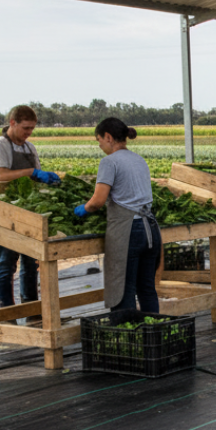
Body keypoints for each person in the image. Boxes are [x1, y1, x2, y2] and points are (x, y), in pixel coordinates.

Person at [75, 118, 161, 312]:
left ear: (108, 137)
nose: (99, 145)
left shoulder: (109, 162)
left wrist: (84, 209)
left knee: (123, 291)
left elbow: (98, 200)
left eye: (99, 140)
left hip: (128, 232)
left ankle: (127, 337)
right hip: (151, 230)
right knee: (146, 289)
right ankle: (152, 333)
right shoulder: (139, 159)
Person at [0, 105, 59, 317]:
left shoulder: (29, 148)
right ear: (13, 123)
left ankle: (32, 309)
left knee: (31, 259)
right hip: (7, 210)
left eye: (32, 129)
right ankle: (7, 310)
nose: (28, 133)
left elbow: (36, 178)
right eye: (25, 128)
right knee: (7, 261)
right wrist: (32, 172)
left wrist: (46, 179)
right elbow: (0, 176)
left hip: (29, 210)